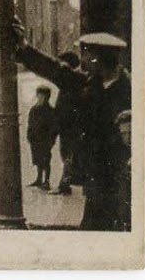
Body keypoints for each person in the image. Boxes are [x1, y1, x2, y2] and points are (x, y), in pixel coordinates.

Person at [14, 24, 132, 231]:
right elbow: (57, 71)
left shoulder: (130, 90)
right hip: (95, 177)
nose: (82, 60)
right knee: (94, 227)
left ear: (99, 58)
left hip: (120, 179)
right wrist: (25, 48)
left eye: (86, 54)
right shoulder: (90, 82)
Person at [52, 50, 83, 194]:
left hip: (70, 127)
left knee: (68, 155)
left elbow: (67, 107)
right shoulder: (69, 83)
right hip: (66, 126)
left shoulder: (72, 84)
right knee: (67, 155)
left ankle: (64, 185)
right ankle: (65, 183)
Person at [27, 84, 58, 191]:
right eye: (40, 95)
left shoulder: (50, 111)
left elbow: (54, 127)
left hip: (45, 139)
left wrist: (51, 139)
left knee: (46, 160)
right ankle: (39, 178)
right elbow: (30, 124)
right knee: (37, 159)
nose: (41, 98)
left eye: (44, 96)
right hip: (35, 139)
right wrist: (29, 135)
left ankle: (46, 181)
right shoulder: (34, 109)